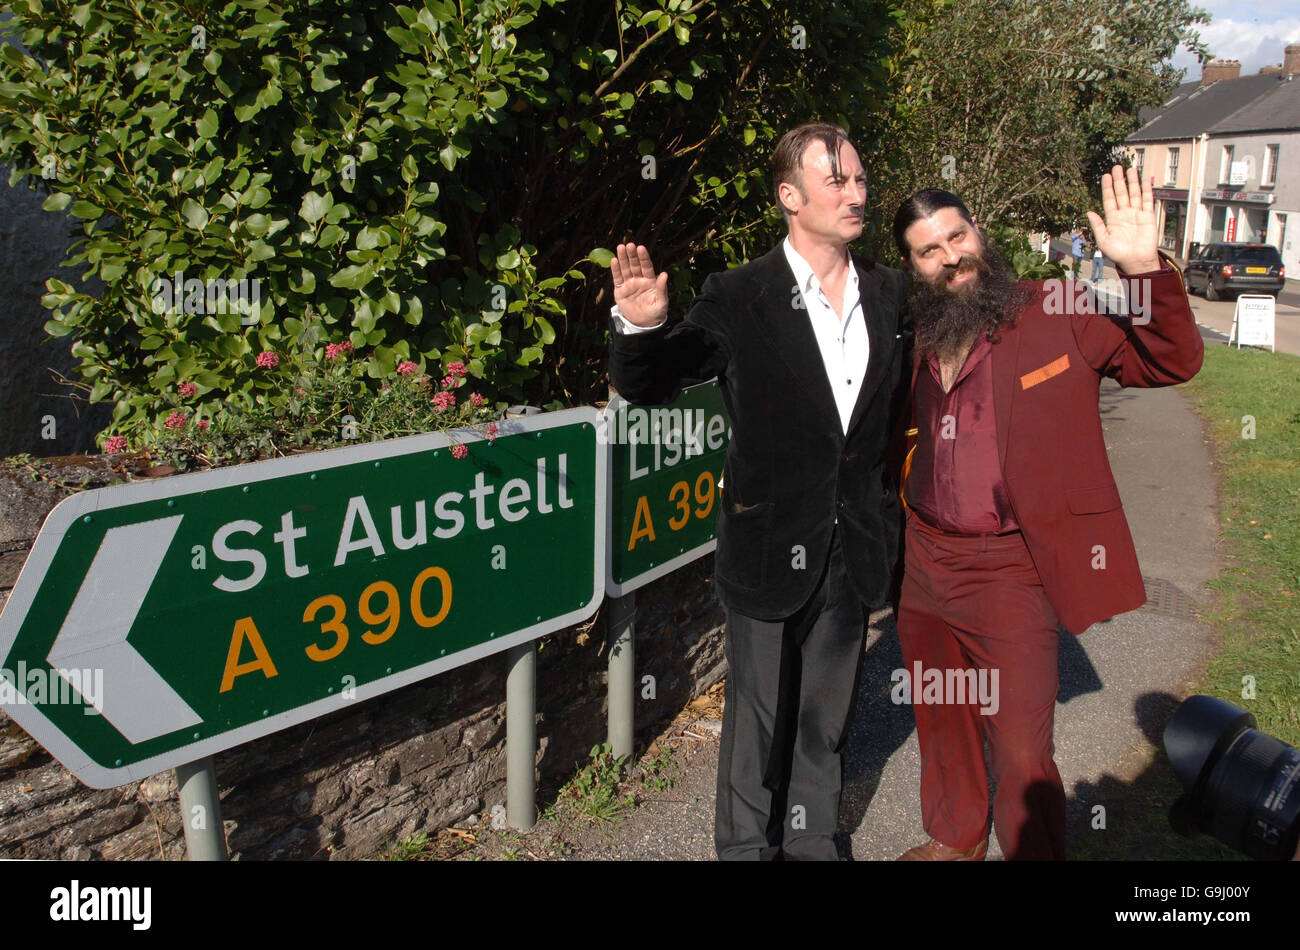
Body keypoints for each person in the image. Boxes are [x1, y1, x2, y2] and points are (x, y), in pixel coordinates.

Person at [607, 122, 911, 860]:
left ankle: (810, 843)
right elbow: (650, 381)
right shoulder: (739, 294)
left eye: (861, 179)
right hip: (770, 546)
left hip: (853, 547)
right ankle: (746, 849)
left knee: (825, 718)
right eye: (836, 180)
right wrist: (640, 328)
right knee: (759, 724)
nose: (855, 193)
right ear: (789, 195)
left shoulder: (889, 293)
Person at [891, 167, 1202, 860]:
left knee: (1020, 742)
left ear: (981, 232)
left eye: (957, 234)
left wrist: (1145, 269)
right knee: (942, 713)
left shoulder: (1058, 307)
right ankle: (955, 837)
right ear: (914, 267)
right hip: (925, 558)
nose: (951, 256)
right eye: (929, 250)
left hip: (1010, 567)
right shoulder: (915, 333)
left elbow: (1170, 361)